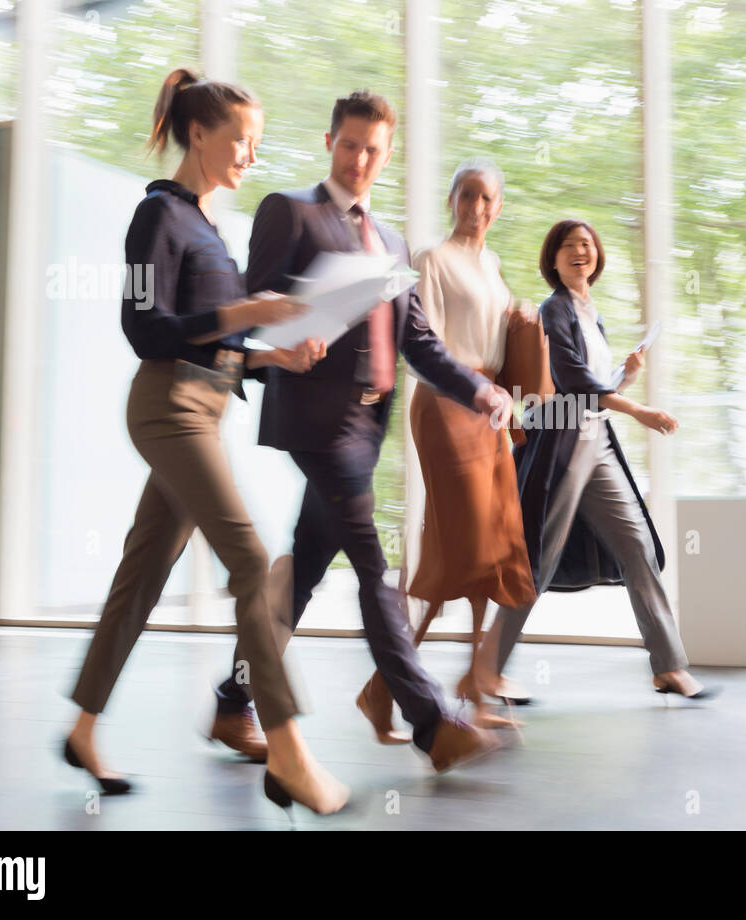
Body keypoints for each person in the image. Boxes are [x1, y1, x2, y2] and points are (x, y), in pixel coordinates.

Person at [65, 67, 350, 817]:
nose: (251, 154)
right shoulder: (155, 218)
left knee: (141, 576)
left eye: (256, 142)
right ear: (199, 134)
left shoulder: (209, 229)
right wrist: (245, 315)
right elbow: (145, 330)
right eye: (241, 140)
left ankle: (82, 729)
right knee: (253, 563)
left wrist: (271, 354)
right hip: (169, 411)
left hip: (205, 406)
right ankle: (288, 751)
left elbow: (215, 345)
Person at [210, 91, 514, 771]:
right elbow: (245, 310)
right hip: (314, 421)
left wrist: (480, 388)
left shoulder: (394, 243)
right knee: (374, 566)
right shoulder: (291, 211)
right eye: (349, 145)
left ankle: (233, 701)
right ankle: (430, 720)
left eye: (372, 149)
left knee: (303, 573)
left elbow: (420, 342)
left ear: (388, 154)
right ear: (329, 143)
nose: (359, 159)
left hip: (365, 426)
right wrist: (280, 346)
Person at [473, 219, 716, 703]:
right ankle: (486, 671)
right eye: (568, 245)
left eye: (586, 244)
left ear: (597, 256)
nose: (579, 251)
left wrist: (625, 376)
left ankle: (668, 666)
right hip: (561, 443)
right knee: (538, 557)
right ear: (553, 259)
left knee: (636, 544)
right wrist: (639, 410)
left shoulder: (589, 312)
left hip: (596, 440)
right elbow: (575, 383)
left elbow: (594, 386)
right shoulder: (554, 309)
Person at [355, 158, 535, 730]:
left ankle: (473, 687)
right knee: (461, 547)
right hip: (446, 405)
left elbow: (493, 340)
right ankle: (390, 684)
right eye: (467, 195)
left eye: (487, 198)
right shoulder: (432, 258)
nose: (476, 207)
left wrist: (519, 317)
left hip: (489, 409)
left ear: (498, 207)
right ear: (451, 199)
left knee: (492, 547)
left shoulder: (494, 265)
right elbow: (423, 343)